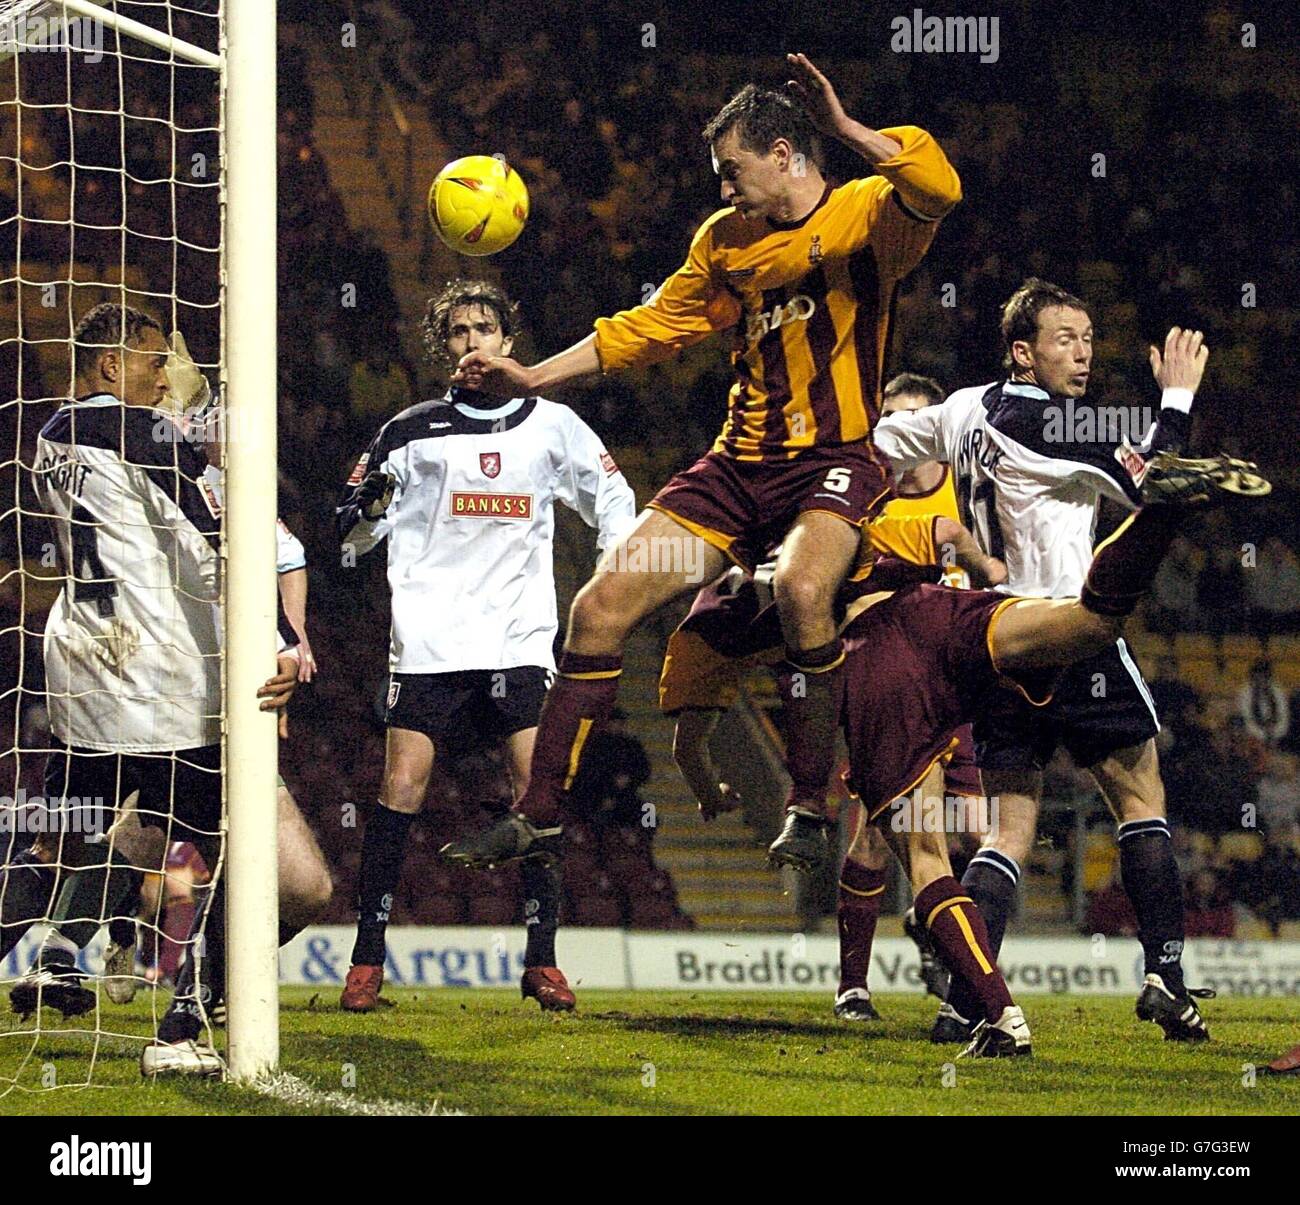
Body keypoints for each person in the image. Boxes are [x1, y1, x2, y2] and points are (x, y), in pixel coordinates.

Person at [446, 55, 961, 877]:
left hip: (832, 461)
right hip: (735, 471)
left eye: (733, 170)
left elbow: (940, 188)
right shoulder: (723, 244)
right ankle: (539, 814)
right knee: (598, 606)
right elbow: (647, 327)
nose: (724, 189)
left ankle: (808, 802)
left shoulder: (868, 216)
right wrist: (533, 376)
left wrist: (851, 132)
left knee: (799, 588)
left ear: (787, 154)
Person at [666, 441, 1267, 1055]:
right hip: (938, 618)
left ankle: (997, 1016)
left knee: (928, 856)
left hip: (878, 668)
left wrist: (724, 787)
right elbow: (940, 530)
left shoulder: (707, 616)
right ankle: (1157, 516)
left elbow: (691, 733)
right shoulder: (836, 510)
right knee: (1089, 623)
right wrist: (985, 567)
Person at [873, 280, 1249, 1043]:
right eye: (1065, 339)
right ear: (1023, 350)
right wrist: (1175, 397)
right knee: (1140, 798)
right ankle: (1166, 978)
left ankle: (966, 997)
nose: (1082, 352)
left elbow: (879, 442)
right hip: (1070, 633)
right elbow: (1159, 481)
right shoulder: (1056, 425)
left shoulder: (962, 408)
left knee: (1007, 832)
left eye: (1086, 337)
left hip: (995, 639)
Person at [0, 304, 313, 1078]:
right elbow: (228, 538)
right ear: (111, 366)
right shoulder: (138, 433)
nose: (161, 377)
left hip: (85, 673)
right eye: (150, 363)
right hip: (165, 682)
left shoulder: (48, 437)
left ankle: (66, 950)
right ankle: (181, 1022)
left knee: (53, 841)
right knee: (226, 846)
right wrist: (281, 639)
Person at [336, 279, 636, 1013]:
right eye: (460, 331)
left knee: (537, 797)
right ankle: (367, 958)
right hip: (431, 642)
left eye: (485, 329)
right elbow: (350, 533)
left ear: (509, 342)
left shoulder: (552, 425)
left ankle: (542, 961)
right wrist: (366, 510)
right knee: (398, 791)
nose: (473, 342)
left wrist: (611, 576)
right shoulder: (408, 429)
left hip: (519, 641)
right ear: (444, 346)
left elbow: (616, 501)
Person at [662, 506, 1005, 1023]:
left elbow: (688, 743)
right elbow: (947, 533)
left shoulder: (707, 627)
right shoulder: (846, 529)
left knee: (931, 837)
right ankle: (946, 996)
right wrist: (991, 572)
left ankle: (894, 977)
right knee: (931, 840)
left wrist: (710, 791)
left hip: (898, 670)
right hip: (904, 670)